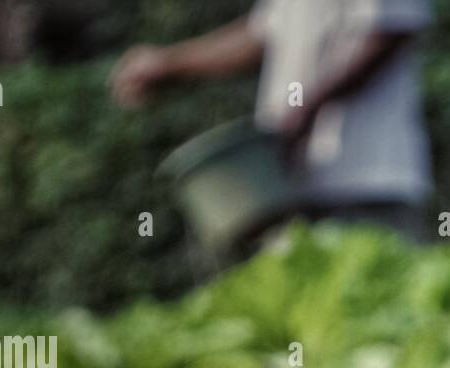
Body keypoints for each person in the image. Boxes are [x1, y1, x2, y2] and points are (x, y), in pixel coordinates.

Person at [109, 0, 433, 242]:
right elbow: (262, 32)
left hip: (367, 178)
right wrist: (170, 64)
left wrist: (303, 112)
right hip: (290, 186)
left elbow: (389, 28)